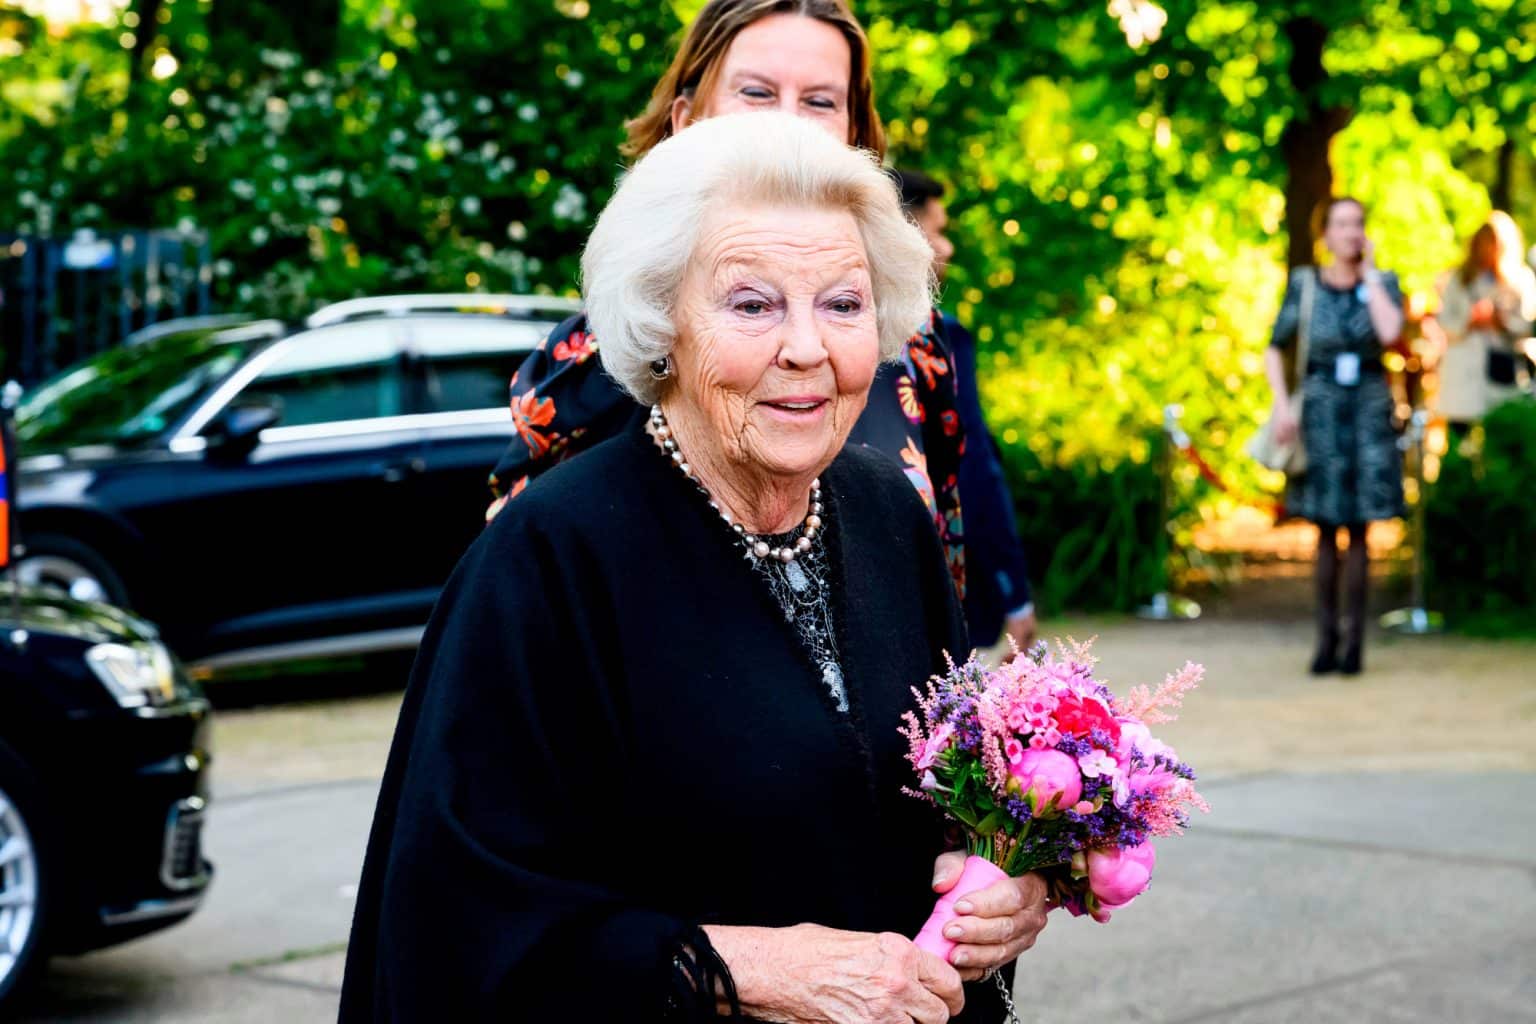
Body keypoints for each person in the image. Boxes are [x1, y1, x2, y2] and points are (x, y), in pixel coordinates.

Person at [339, 113, 1048, 1024]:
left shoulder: (887, 518)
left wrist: (999, 889)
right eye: (752, 305)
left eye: (843, 303)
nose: (808, 348)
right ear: (661, 323)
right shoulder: (547, 560)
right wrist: (732, 969)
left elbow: (934, 810)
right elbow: (454, 922)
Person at [485, 0, 969, 601]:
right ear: (686, 119)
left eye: (821, 102)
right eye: (757, 93)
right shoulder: (601, 352)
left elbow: (943, 562)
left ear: (857, 137)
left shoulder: (914, 344)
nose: (787, 123)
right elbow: (524, 593)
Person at [893, 168, 1036, 655]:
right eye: (939, 232)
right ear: (904, 236)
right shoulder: (936, 338)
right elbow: (970, 465)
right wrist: (1011, 588)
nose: (948, 249)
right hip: (933, 580)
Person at [1265, 197, 1405, 676]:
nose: (1351, 233)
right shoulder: (1305, 285)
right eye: (1342, 225)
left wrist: (1369, 273)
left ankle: (1355, 647)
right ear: (1325, 233)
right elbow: (1273, 347)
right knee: (1325, 529)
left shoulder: (1383, 283)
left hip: (1368, 410)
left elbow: (1389, 334)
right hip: (1320, 411)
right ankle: (1325, 640)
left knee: (1363, 530)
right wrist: (1284, 406)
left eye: (1358, 224)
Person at [1437, 212, 1536, 437]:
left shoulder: (1520, 279)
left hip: (1501, 370)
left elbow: (1527, 325)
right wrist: (1469, 321)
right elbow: (1445, 321)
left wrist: (1500, 322)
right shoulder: (1460, 278)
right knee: (1460, 439)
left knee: (1500, 437)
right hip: (1463, 372)